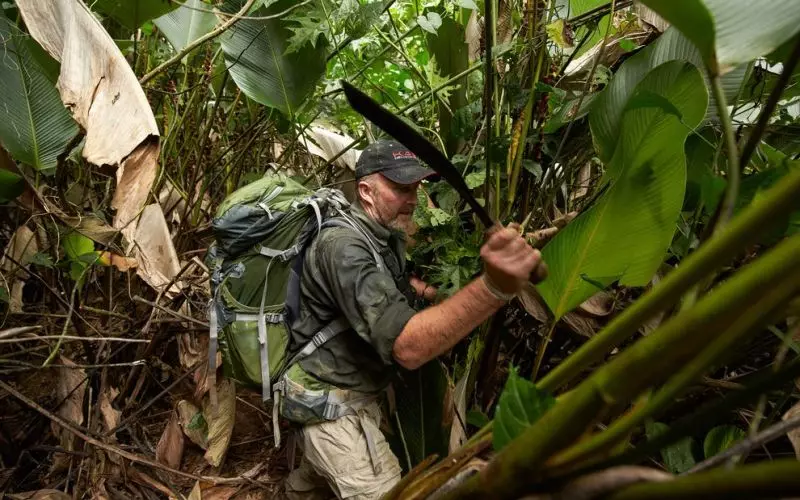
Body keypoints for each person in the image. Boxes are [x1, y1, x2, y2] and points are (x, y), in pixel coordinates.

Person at [282, 138, 545, 499]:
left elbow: (400, 286)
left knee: (312, 483)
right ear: (366, 191)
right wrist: (493, 288)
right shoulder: (344, 247)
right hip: (329, 403)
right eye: (401, 188)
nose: (413, 198)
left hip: (354, 389)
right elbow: (408, 347)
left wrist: (447, 291)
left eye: (416, 188)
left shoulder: (381, 235)